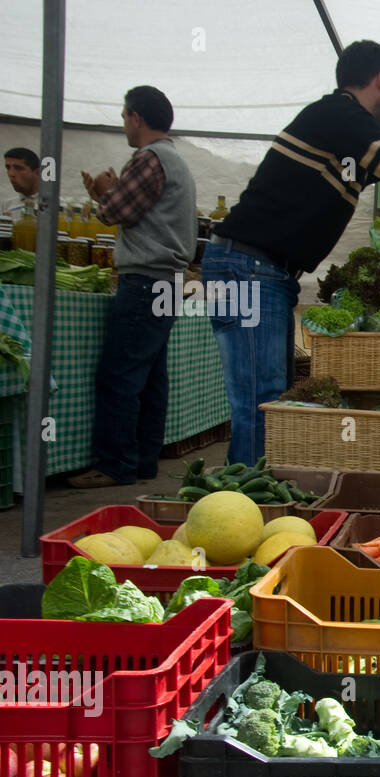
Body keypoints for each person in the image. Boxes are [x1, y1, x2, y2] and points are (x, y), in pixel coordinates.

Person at [206, 40, 380, 466]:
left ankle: (259, 495)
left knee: (272, 398)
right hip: (248, 268)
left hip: (263, 271)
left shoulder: (342, 133)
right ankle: (246, 502)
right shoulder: (340, 115)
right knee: (260, 400)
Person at [68, 87, 197, 489]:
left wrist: (106, 190)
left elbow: (114, 212)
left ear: (137, 117)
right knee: (151, 374)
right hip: (168, 281)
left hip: (146, 279)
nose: (124, 125)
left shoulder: (149, 158)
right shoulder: (175, 161)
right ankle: (142, 460)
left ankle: (115, 464)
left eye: (125, 117)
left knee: (120, 373)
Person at [2, 147, 39, 217]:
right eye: (8, 168)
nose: (11, 174)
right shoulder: (5, 207)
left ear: (37, 172)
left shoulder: (57, 207)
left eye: (18, 168)